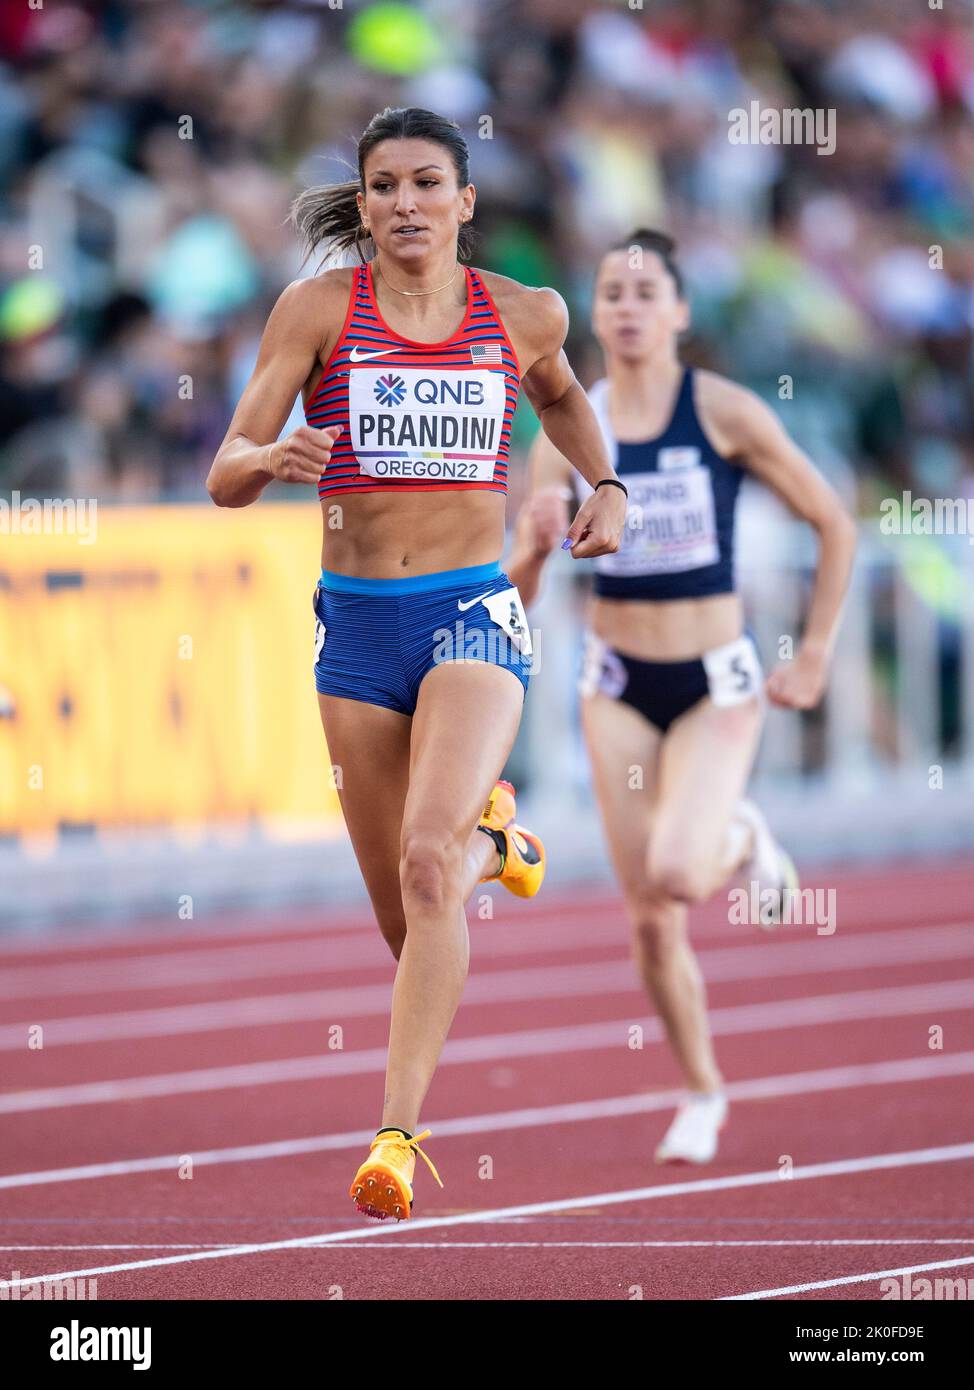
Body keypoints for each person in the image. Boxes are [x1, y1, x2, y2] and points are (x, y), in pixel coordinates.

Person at [205, 107, 628, 1219]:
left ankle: (393, 1139)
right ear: (360, 202)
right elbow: (223, 472)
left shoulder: (523, 311)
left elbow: (564, 400)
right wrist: (272, 456)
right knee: (410, 923)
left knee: (428, 870)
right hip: (353, 628)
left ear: (464, 201)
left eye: (425, 183)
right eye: (382, 185)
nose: (403, 203)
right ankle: (498, 841)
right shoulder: (315, 310)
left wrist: (608, 487)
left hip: (470, 612)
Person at [507, 229, 856, 1164]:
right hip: (617, 683)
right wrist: (537, 545)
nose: (625, 306)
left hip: (715, 682)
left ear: (680, 310)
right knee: (650, 919)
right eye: (610, 291)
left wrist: (815, 653)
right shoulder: (567, 425)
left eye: (644, 290)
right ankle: (702, 1089)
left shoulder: (728, 413)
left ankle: (741, 838)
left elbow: (834, 522)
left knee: (677, 869)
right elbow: (519, 590)